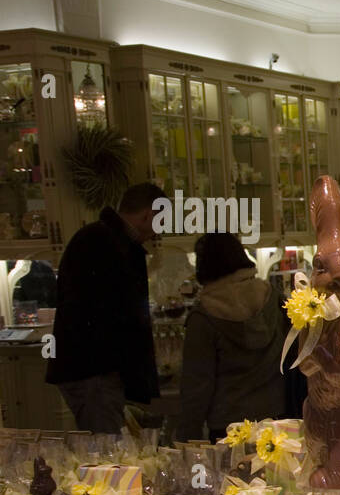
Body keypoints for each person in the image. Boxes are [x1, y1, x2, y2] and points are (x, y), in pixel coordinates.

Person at [47, 182, 164, 433]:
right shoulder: (109, 244)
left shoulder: (97, 237)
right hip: (95, 370)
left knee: (105, 450)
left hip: (86, 367)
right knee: (106, 456)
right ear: (148, 215)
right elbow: (111, 313)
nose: (158, 231)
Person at [178, 232, 287, 441]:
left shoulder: (204, 315)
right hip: (277, 419)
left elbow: (196, 388)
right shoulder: (272, 297)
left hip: (228, 428)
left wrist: (185, 440)